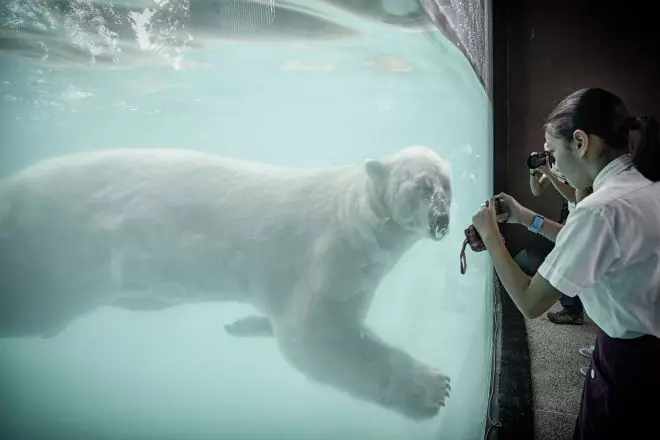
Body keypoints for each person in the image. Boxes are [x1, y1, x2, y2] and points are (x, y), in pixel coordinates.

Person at [471, 87, 660, 439]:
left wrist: (492, 234)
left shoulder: (600, 209)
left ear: (580, 142)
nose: (553, 166)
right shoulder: (642, 184)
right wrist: (527, 218)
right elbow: (588, 247)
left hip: (629, 364)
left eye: (553, 155)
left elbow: (530, 301)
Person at [528, 151, 593, 325]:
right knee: (565, 257)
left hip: (583, 215)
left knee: (568, 259)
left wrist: (549, 172)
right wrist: (534, 171)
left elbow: (574, 195)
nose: (546, 147)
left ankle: (573, 310)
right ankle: (572, 307)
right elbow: (536, 191)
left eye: (550, 143)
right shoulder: (555, 163)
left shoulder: (576, 161)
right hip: (571, 214)